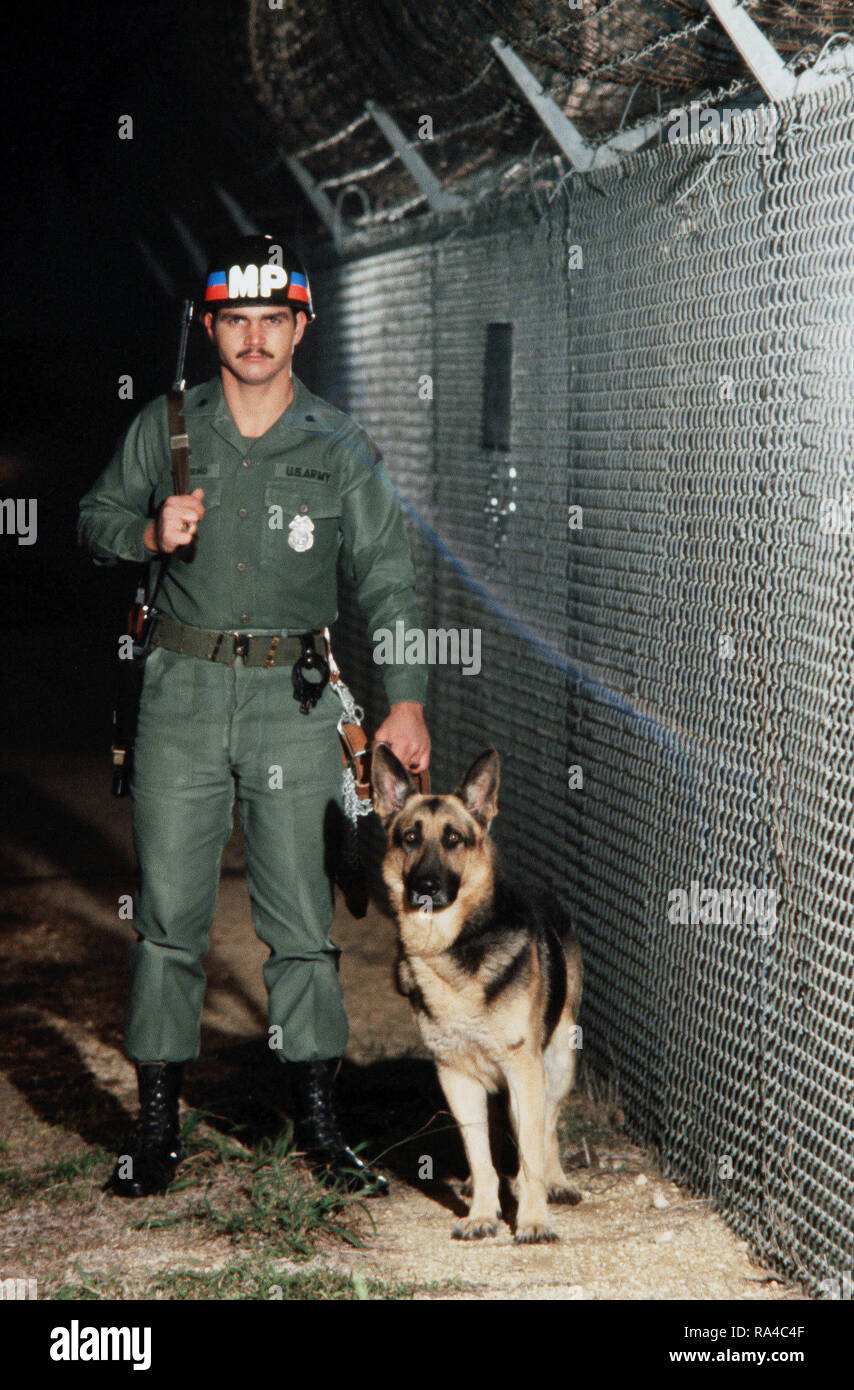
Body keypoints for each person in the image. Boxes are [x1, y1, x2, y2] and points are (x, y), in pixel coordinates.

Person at [78, 233, 431, 1197]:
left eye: (274, 320)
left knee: (304, 923)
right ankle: (155, 1132)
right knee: (167, 921)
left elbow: (390, 581)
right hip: (181, 696)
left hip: (292, 698)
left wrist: (405, 700)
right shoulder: (167, 427)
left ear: (301, 326)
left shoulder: (339, 443)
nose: (256, 339)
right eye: (237, 320)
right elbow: (93, 517)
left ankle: (321, 1127)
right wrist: (148, 530)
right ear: (211, 326)